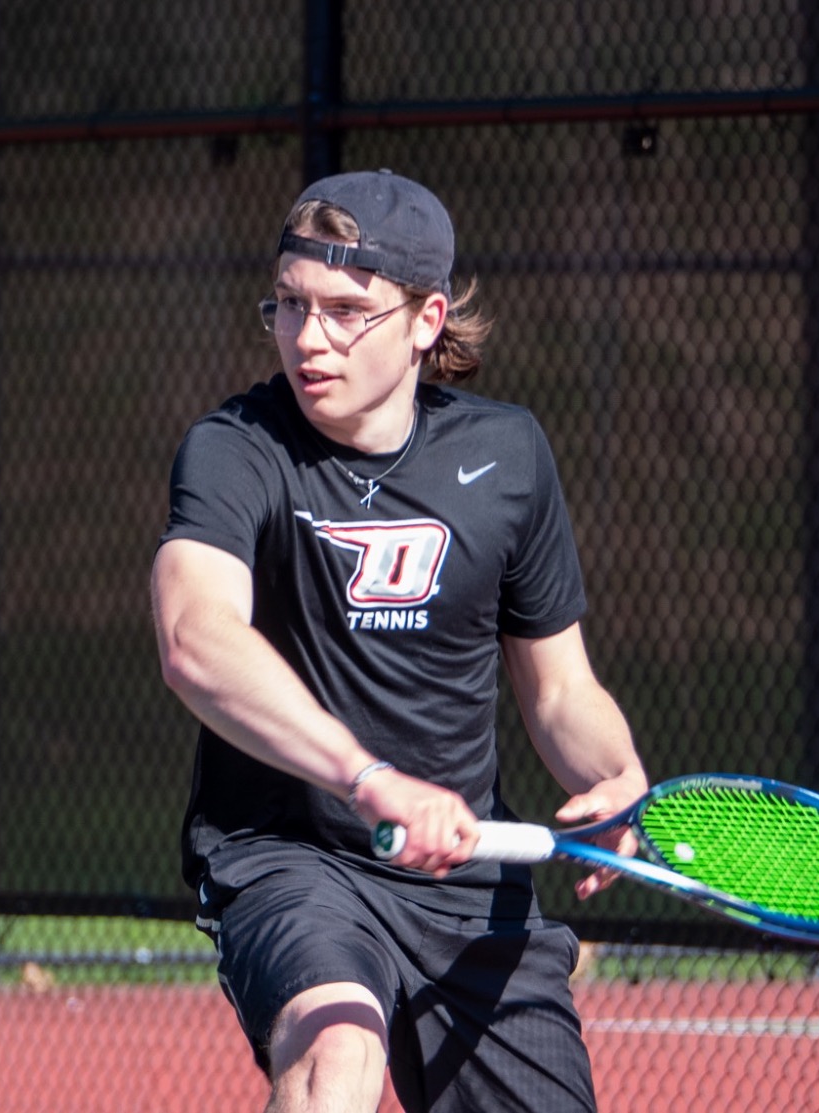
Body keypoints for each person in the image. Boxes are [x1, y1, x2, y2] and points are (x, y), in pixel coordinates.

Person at [151, 169, 649, 1113]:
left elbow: (559, 691)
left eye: (346, 310)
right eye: (290, 305)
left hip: (470, 882)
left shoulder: (509, 457)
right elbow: (195, 635)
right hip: (293, 857)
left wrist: (616, 774)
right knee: (334, 1055)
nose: (309, 337)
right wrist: (367, 776)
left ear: (426, 320)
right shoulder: (234, 449)